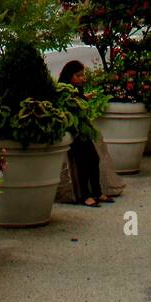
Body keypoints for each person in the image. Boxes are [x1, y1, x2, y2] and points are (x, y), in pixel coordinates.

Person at [57, 61, 111, 207]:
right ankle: (85, 195)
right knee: (82, 163)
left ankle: (97, 192)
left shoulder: (76, 90)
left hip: (83, 130)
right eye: (78, 75)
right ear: (69, 76)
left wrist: (86, 97)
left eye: (82, 75)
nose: (82, 78)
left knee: (94, 159)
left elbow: (78, 103)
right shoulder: (65, 91)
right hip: (74, 132)